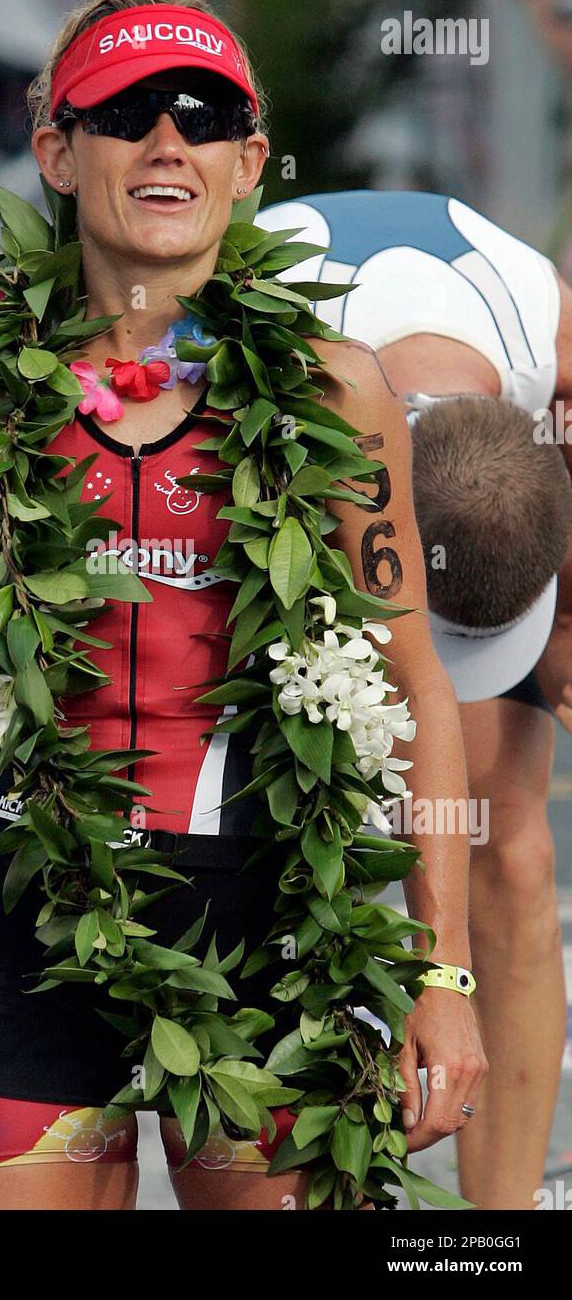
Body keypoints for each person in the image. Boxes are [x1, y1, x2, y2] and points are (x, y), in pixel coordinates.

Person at [0, 0, 485, 1212]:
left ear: (251, 159)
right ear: (56, 151)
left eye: (206, 111)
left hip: (275, 926)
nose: (168, 139)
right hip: (36, 923)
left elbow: (416, 682)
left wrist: (446, 972)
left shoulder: (338, 390)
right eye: (123, 110)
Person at [257, 188, 572, 1209]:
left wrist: (564, 639)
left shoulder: (555, 343)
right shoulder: (251, 346)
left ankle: (500, 1226)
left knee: (507, 843)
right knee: (307, 847)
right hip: (274, 507)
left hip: (487, 506)